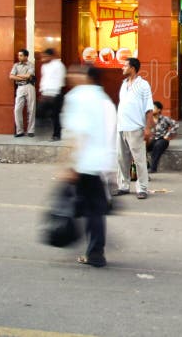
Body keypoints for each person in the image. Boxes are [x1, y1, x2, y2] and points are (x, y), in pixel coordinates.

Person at [60, 65, 117, 268]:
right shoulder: (105, 101)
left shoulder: (78, 97)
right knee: (94, 208)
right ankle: (95, 249)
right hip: (100, 163)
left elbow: (78, 133)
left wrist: (70, 164)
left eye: (75, 73)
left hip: (85, 163)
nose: (70, 77)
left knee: (88, 208)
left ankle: (94, 252)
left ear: (87, 77)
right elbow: (111, 133)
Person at [113, 57, 154, 200]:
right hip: (121, 127)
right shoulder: (123, 84)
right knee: (121, 159)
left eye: (125, 66)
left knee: (139, 160)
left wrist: (148, 129)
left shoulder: (143, 85)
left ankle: (142, 188)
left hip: (136, 128)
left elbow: (149, 109)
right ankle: (123, 186)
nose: (122, 68)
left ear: (133, 68)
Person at [38, 48, 66, 141]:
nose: (43, 58)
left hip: (55, 94)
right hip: (45, 93)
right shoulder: (44, 66)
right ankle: (46, 132)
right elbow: (44, 79)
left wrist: (54, 92)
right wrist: (42, 91)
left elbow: (60, 80)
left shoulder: (59, 65)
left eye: (45, 56)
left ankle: (56, 135)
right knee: (41, 113)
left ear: (51, 56)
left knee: (55, 115)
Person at [146, 101, 178, 174]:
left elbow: (176, 125)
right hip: (151, 140)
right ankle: (145, 167)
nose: (151, 110)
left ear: (159, 110)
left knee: (158, 145)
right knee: (140, 147)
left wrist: (168, 135)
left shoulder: (165, 119)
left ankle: (153, 168)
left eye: (153, 108)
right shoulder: (148, 119)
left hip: (162, 140)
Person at [10, 49, 36, 137]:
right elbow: (10, 76)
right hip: (20, 87)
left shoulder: (30, 65)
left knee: (31, 109)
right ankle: (19, 131)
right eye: (19, 55)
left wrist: (16, 76)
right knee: (17, 109)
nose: (19, 57)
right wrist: (22, 77)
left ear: (26, 56)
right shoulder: (16, 65)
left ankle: (30, 130)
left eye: (21, 55)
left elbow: (28, 76)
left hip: (29, 87)